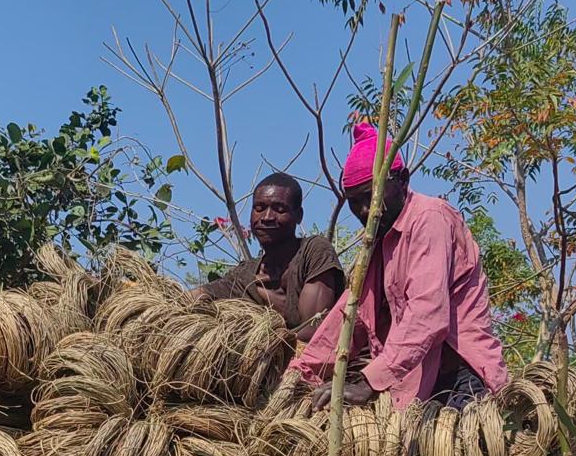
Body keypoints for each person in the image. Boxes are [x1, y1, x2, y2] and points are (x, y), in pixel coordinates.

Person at [291, 122, 507, 410]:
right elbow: (352, 313)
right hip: (420, 385)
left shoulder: (429, 218)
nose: (365, 210)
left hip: (462, 379)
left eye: (372, 195)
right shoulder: (379, 241)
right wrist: (302, 370)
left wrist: (368, 383)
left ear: (402, 180)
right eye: (354, 202)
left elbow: (427, 314)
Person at [192, 173, 346, 337]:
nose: (266, 217)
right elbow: (191, 297)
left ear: (299, 215)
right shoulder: (243, 276)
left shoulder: (313, 251)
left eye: (279, 210)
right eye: (259, 209)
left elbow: (313, 330)